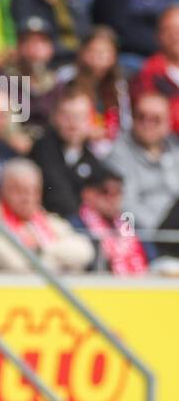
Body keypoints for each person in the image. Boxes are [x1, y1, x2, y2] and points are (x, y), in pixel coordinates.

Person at [0, 159, 93, 273]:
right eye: (19, 190)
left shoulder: (51, 222)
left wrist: (42, 251)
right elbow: (16, 266)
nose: (27, 198)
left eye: (33, 191)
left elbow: (85, 251)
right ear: (2, 190)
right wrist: (56, 257)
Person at [105, 91, 179, 235]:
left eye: (155, 119)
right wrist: (162, 232)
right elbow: (125, 205)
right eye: (141, 117)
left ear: (168, 122)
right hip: (148, 238)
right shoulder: (118, 155)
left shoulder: (175, 151)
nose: (147, 124)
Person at [29, 89, 102, 218]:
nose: (73, 124)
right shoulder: (43, 148)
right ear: (54, 117)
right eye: (66, 116)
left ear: (90, 121)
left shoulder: (92, 159)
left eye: (79, 117)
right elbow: (57, 197)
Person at [71, 163, 153, 275]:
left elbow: (153, 258)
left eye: (118, 192)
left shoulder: (131, 224)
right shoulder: (75, 226)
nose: (114, 198)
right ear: (87, 194)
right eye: (106, 191)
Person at [130, 5, 179, 131]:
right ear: (158, 36)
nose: (175, 36)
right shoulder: (149, 73)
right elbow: (150, 118)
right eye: (168, 30)